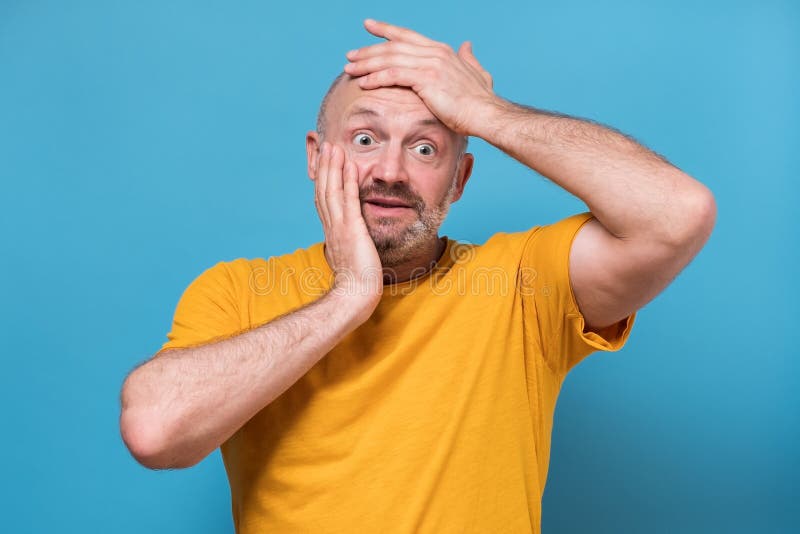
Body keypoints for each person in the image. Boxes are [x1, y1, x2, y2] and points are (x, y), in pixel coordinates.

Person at [119, 19, 716, 533]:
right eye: (365, 138)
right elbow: (154, 431)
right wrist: (349, 297)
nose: (390, 171)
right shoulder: (238, 291)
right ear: (315, 156)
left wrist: (485, 112)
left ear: (460, 180)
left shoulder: (524, 285)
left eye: (426, 148)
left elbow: (678, 214)